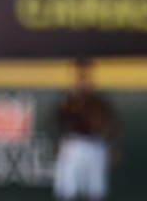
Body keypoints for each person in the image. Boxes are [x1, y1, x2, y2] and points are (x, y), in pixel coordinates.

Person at [53, 58, 118, 201]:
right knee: (68, 190)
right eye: (80, 76)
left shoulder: (100, 101)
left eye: (86, 76)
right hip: (73, 145)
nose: (83, 80)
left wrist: (110, 147)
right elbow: (57, 123)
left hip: (96, 145)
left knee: (96, 191)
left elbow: (111, 125)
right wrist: (59, 142)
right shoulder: (68, 100)